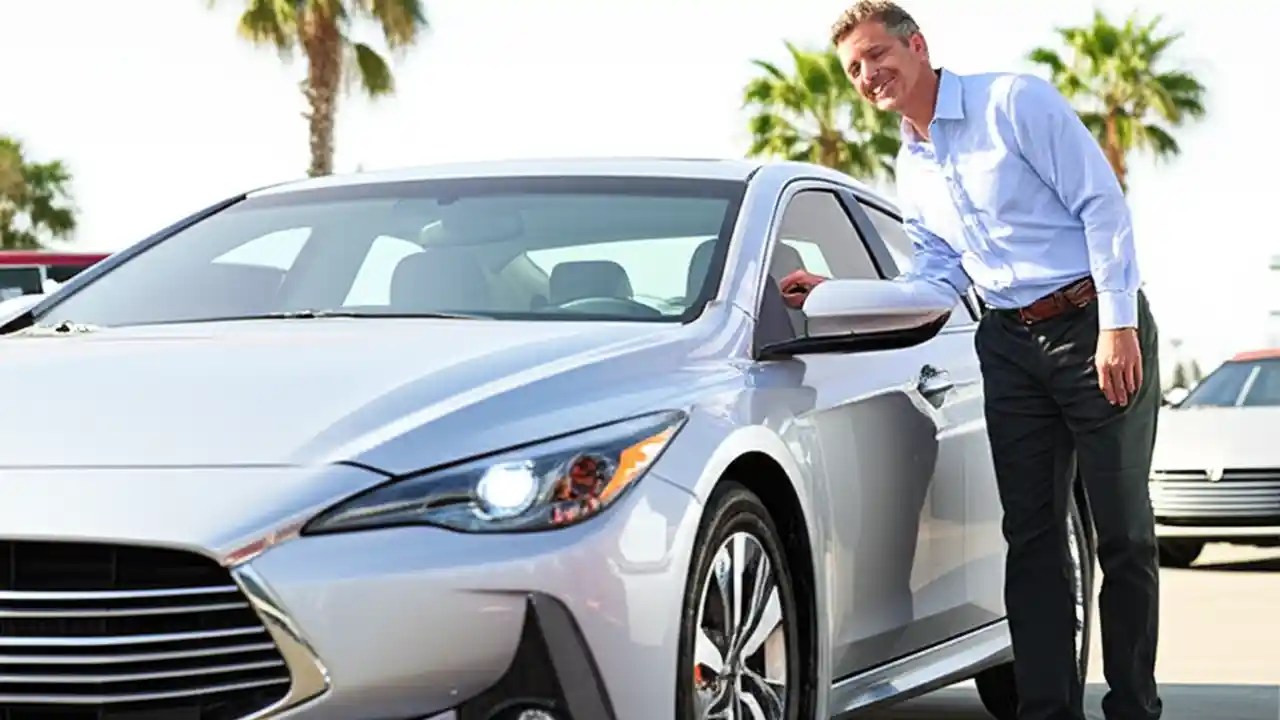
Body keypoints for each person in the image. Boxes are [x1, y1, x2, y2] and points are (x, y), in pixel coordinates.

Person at [780, 3, 1163, 719]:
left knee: (1123, 531)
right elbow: (936, 280)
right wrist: (836, 294)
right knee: (1033, 536)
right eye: (854, 69)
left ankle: (1135, 706)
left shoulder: (1013, 103)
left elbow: (1102, 206)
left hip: (1092, 327)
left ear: (917, 46)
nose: (867, 76)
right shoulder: (911, 162)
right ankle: (1047, 710)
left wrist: (1117, 324)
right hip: (1009, 345)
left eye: (875, 56)